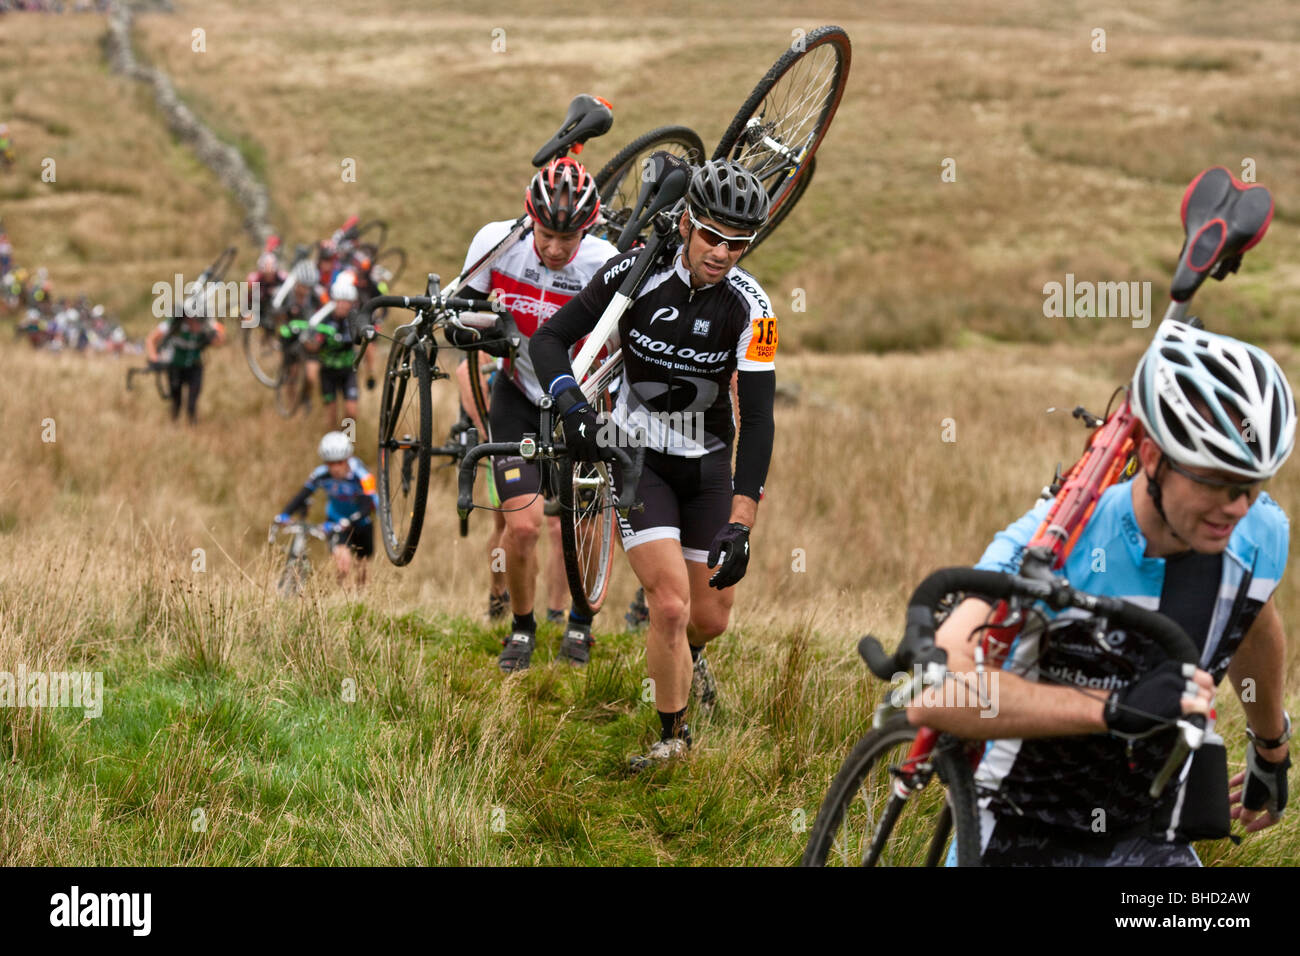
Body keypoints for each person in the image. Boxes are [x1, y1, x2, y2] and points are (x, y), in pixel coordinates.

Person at [913, 318, 1294, 866]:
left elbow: (1253, 617)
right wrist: (1108, 709)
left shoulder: (1260, 533)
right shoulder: (1055, 540)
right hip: (1022, 827)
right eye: (1214, 481)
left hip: (1149, 831)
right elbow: (938, 691)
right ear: (1155, 458)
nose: (1236, 507)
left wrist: (1270, 748)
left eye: (1250, 485)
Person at [530, 159, 779, 770]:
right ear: (688, 224)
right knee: (668, 605)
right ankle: (674, 738)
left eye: (738, 245)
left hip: (709, 463)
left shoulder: (754, 307)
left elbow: (762, 418)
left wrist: (742, 522)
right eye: (712, 237)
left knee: (709, 618)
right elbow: (548, 340)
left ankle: (692, 660)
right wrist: (571, 406)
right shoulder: (633, 273)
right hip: (638, 456)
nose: (722, 254)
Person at [448, 156, 619, 672]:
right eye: (546, 234)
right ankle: (522, 629)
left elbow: (626, 340)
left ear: (587, 229)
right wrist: (472, 330)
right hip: (518, 394)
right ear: (530, 220)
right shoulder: (497, 242)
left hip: (582, 402)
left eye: (569, 239)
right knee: (520, 528)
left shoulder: (604, 260)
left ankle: (580, 626)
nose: (555, 248)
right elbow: (460, 313)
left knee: (580, 523)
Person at [275, 431, 377, 587]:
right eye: (330, 463)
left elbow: (368, 506)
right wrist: (284, 514)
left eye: (340, 462)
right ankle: (344, 598)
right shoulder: (320, 475)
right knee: (342, 565)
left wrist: (349, 521)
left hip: (361, 523)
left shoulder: (363, 475)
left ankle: (362, 598)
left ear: (348, 458)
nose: (335, 468)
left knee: (362, 566)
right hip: (336, 523)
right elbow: (302, 495)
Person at [144, 303, 225, 424]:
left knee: (192, 402)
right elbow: (151, 339)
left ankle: (192, 426)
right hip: (175, 367)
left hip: (195, 367)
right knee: (176, 401)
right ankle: (174, 424)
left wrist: (214, 335)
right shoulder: (173, 324)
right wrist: (154, 358)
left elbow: (219, 340)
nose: (195, 324)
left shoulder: (207, 325)